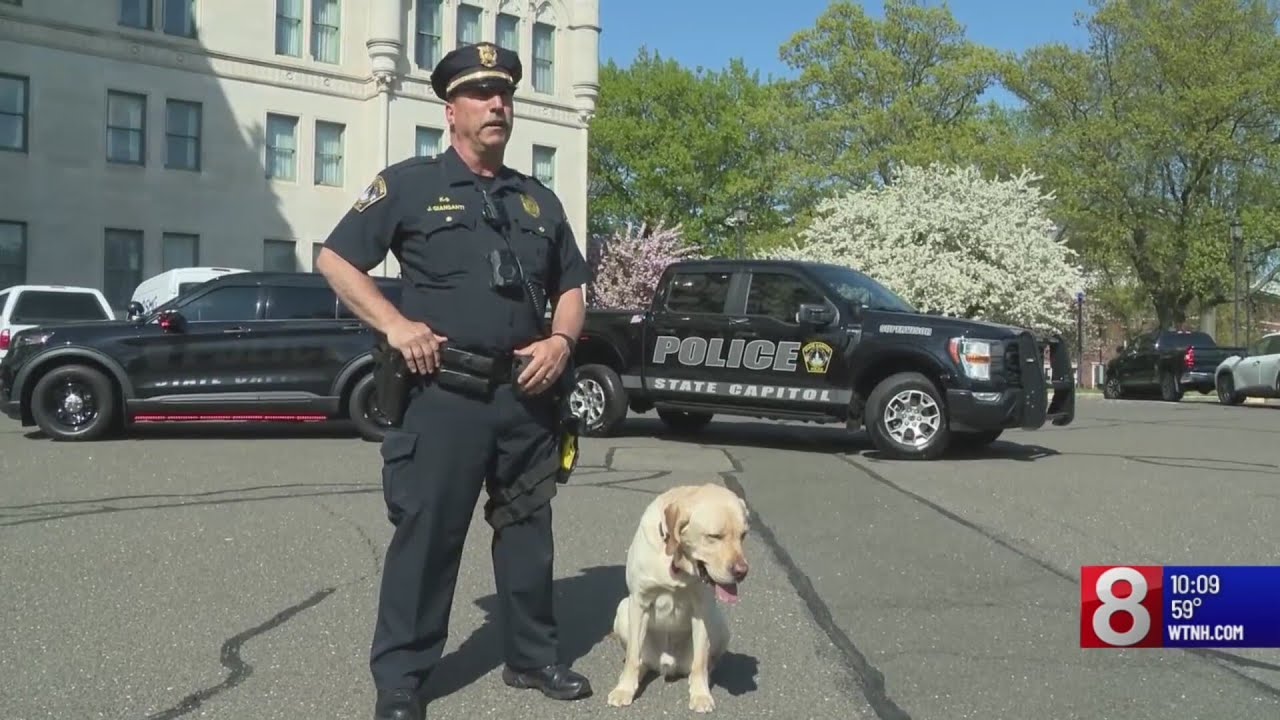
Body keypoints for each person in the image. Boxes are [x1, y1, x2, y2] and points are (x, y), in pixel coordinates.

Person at [314, 41, 592, 720]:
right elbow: (334, 258)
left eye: (505, 96)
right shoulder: (409, 185)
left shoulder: (537, 199)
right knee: (429, 535)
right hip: (442, 394)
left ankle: (532, 658)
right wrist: (394, 325)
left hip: (526, 396)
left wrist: (561, 340)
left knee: (529, 531)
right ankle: (403, 678)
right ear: (451, 110)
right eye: (480, 94)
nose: (497, 105)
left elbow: (575, 285)